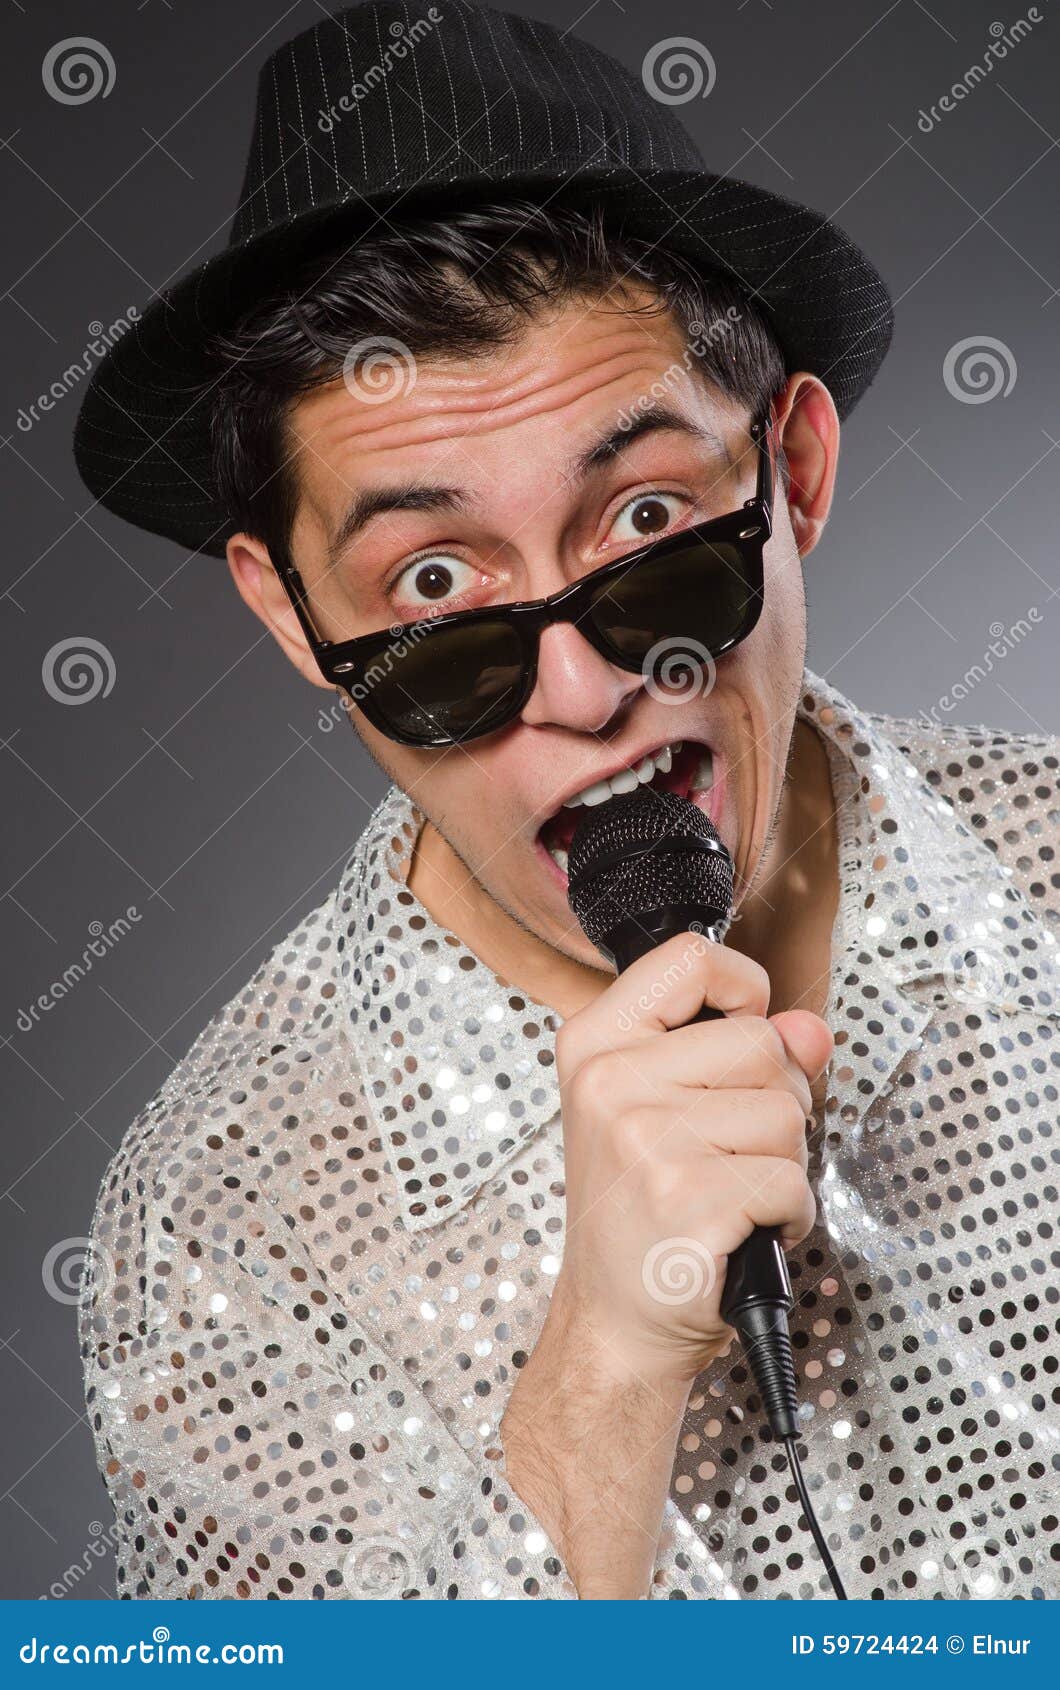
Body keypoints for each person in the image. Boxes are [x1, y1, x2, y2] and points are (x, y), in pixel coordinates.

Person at [75, 2, 1059, 1600]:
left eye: (647, 517)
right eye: (438, 581)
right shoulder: (222, 1228)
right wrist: (600, 1366)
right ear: (295, 621)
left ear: (795, 474)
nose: (586, 689)